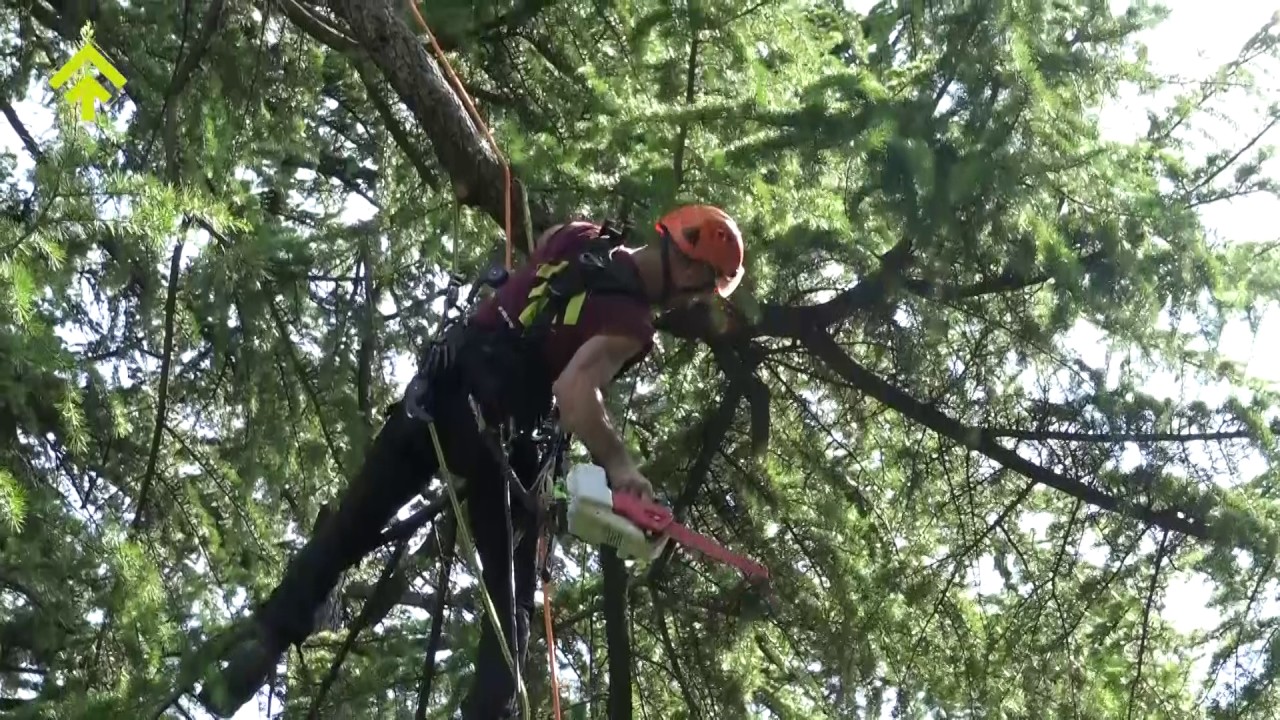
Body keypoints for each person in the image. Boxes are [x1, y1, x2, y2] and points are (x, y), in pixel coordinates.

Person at [198, 204, 746, 719]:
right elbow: (576, 392)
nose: (694, 301)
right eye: (704, 288)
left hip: (438, 389)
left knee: (353, 524)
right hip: (496, 435)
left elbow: (533, 265)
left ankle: (269, 635)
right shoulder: (631, 322)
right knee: (511, 603)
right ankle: (490, 711)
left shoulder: (580, 235)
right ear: (693, 273)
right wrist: (622, 468)